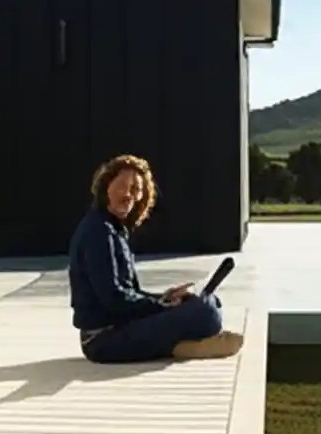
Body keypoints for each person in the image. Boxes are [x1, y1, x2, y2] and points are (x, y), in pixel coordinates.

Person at [69, 154, 244, 363]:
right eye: (123, 186)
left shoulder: (113, 230)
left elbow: (128, 294)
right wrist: (162, 306)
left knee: (207, 301)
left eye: (136, 190)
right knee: (205, 311)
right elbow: (114, 299)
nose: (129, 195)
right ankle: (184, 345)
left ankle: (181, 346)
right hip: (103, 341)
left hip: (117, 329)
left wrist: (164, 298)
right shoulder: (98, 232)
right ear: (106, 186)